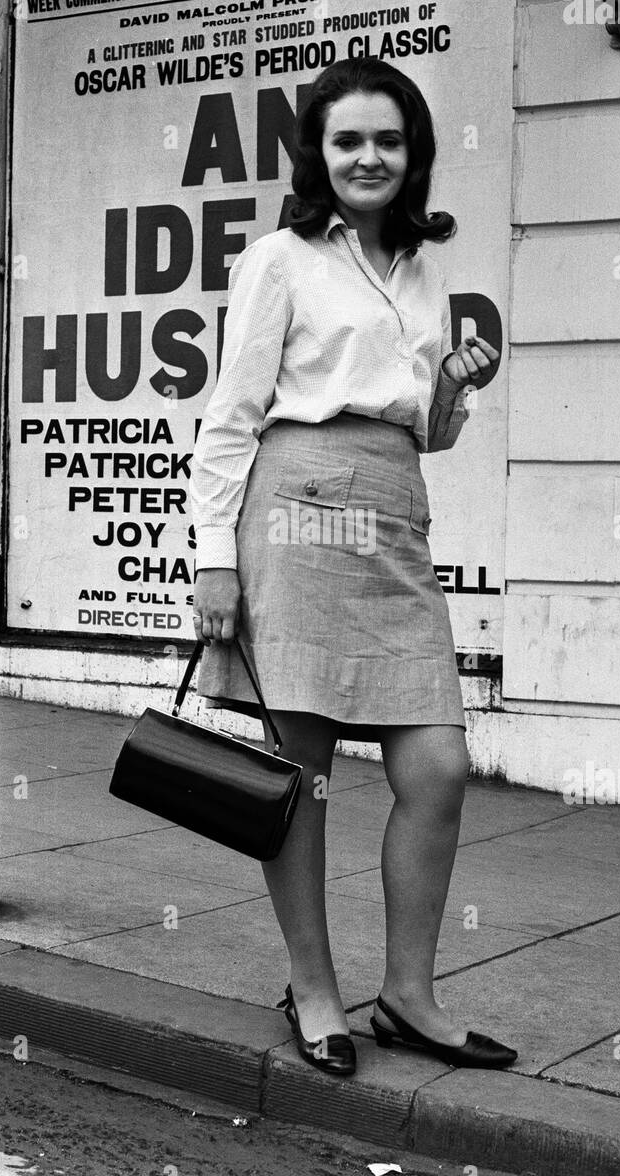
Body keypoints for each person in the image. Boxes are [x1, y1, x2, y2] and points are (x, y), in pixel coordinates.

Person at [188, 56, 516, 1077]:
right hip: (295, 509)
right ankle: (316, 988)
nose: (369, 157)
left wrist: (454, 384)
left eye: (388, 140)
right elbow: (230, 418)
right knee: (303, 775)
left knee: (438, 766)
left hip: (393, 511)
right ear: (319, 155)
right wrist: (213, 561)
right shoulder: (278, 259)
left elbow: (430, 430)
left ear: (414, 154)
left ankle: (409, 998)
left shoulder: (421, 270)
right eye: (348, 141)